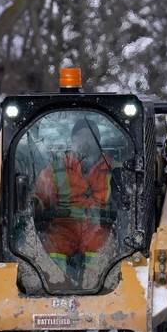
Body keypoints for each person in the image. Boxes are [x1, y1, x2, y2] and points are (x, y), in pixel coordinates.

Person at [34, 118, 114, 280]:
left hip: (98, 227)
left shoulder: (114, 170)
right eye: (80, 136)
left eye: (90, 137)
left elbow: (127, 201)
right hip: (63, 228)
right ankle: (55, 287)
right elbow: (40, 195)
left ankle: (98, 290)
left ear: (98, 141)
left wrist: (114, 213)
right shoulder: (55, 169)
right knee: (52, 246)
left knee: (103, 246)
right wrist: (36, 205)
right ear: (72, 141)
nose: (86, 142)